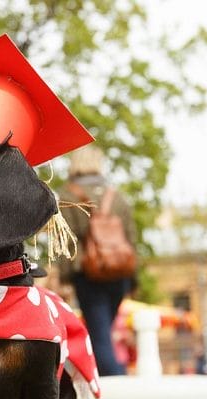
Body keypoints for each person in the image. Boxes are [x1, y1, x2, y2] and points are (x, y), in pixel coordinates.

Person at [57, 146, 137, 376]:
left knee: (100, 336)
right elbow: (131, 239)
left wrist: (64, 277)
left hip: (88, 273)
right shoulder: (117, 196)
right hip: (120, 273)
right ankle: (106, 380)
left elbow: (66, 241)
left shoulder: (69, 195)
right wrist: (133, 280)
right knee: (104, 332)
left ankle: (116, 388)